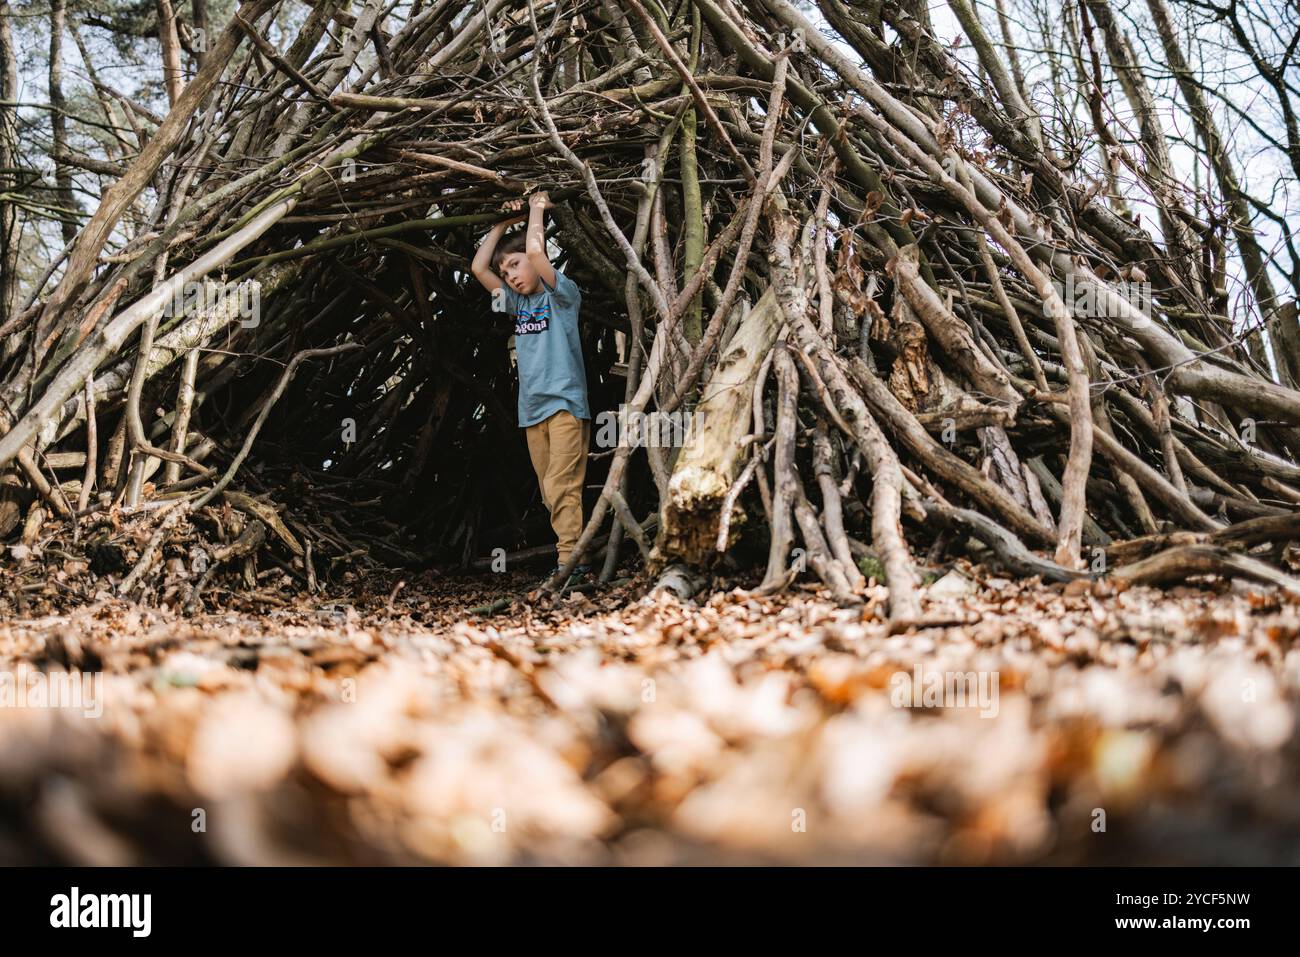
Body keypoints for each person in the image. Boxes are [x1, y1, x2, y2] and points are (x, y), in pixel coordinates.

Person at [471, 191, 592, 584]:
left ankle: (571, 562)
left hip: (565, 405)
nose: (511, 276)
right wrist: (502, 226)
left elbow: (539, 256)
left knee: (562, 484)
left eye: (515, 265)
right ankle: (570, 556)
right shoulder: (516, 305)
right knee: (548, 490)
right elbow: (477, 268)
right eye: (505, 273)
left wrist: (535, 210)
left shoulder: (562, 295)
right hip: (532, 410)